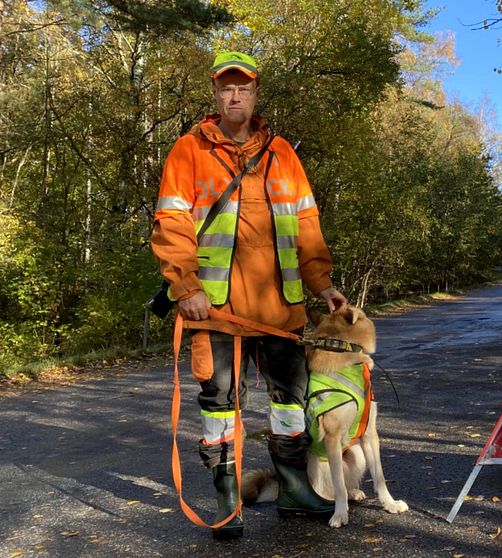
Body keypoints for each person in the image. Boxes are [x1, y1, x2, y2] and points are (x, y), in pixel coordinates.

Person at [151, 51, 347, 540]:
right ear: (215, 94)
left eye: (243, 88)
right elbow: (172, 222)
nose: (235, 95)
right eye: (227, 87)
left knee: (292, 400)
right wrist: (186, 287)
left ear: (256, 94)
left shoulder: (282, 154)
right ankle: (227, 500)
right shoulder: (188, 150)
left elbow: (306, 224)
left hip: (280, 308)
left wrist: (322, 284)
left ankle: (295, 489)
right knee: (219, 404)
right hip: (214, 308)